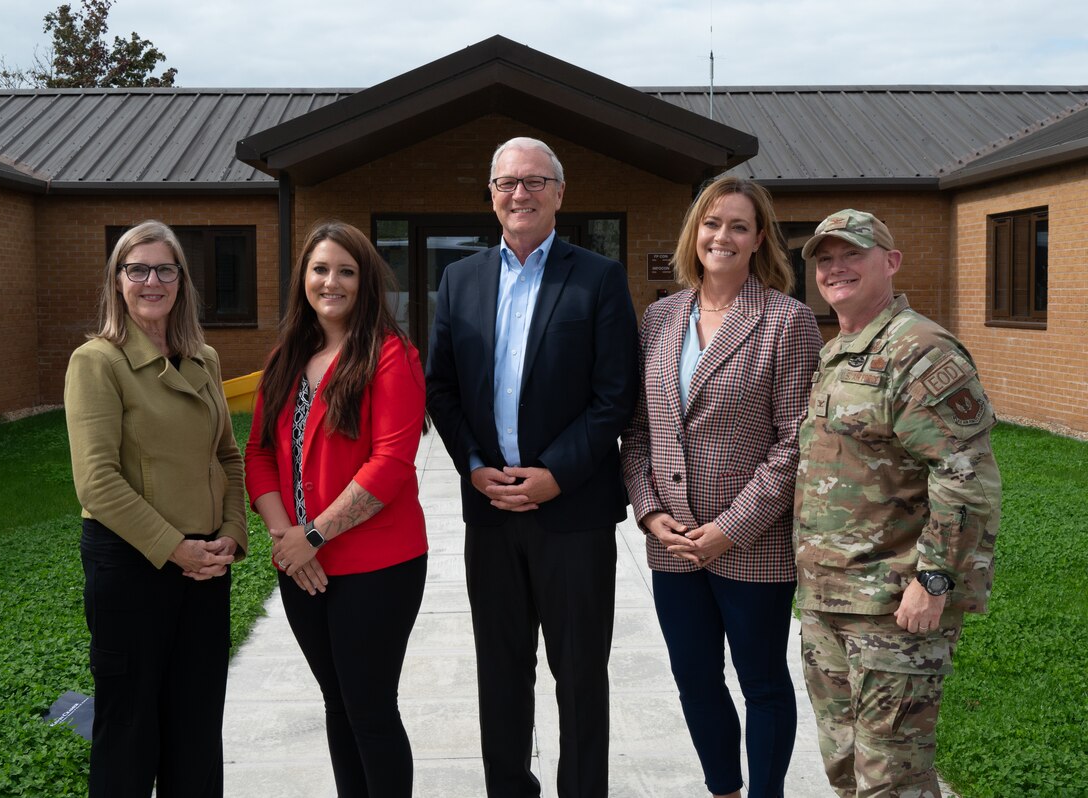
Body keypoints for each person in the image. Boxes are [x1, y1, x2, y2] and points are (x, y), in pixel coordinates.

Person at [425, 136, 639, 798]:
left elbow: (616, 396)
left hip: (571, 514)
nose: (520, 193)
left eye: (534, 182)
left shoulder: (598, 278)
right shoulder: (459, 281)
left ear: (560, 194)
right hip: (489, 514)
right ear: (491, 196)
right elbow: (442, 388)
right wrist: (474, 467)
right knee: (501, 670)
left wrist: (554, 474)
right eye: (506, 183)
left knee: (578, 676)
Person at [620, 176, 822, 798]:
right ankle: (724, 789)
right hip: (673, 541)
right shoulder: (659, 318)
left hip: (750, 541)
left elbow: (795, 442)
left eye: (738, 225)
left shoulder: (786, 322)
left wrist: (729, 529)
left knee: (760, 681)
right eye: (711, 223)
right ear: (694, 233)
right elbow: (638, 431)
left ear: (760, 238)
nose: (722, 236)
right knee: (696, 680)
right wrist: (650, 513)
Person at [795, 209, 1002, 798]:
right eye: (825, 259)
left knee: (893, 778)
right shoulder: (842, 350)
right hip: (831, 599)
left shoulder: (919, 350)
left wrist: (934, 580)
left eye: (852, 254)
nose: (836, 268)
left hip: (893, 604)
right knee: (845, 767)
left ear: (890, 262)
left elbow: (966, 477)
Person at [244, 220, 428, 798]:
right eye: (320, 269)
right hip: (302, 567)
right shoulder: (285, 357)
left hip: (377, 567)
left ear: (365, 282)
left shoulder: (390, 355)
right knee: (336, 704)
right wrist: (286, 540)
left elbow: (391, 465)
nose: (331, 282)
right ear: (303, 277)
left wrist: (313, 537)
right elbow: (258, 456)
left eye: (346, 271)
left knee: (369, 708)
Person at [64, 220, 247, 797]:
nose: (151, 280)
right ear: (117, 281)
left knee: (196, 728)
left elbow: (229, 456)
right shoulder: (97, 362)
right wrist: (177, 550)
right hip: (132, 567)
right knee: (129, 729)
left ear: (182, 281)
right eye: (136, 269)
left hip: (205, 569)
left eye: (164, 269)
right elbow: (98, 483)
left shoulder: (205, 359)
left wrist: (231, 535)